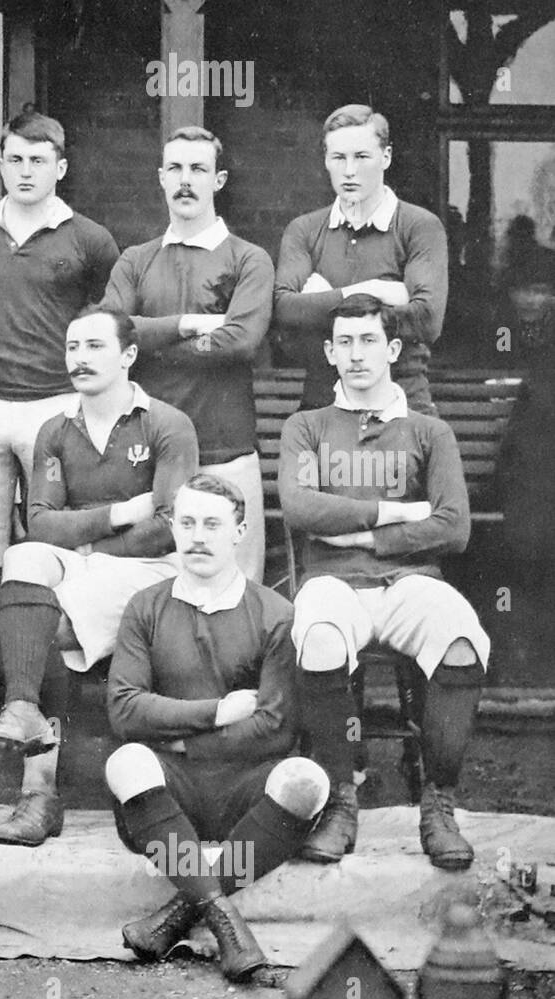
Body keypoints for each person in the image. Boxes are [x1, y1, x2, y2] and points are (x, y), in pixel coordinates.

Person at [279, 296, 489, 869]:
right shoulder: (307, 427)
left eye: (368, 340)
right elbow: (299, 507)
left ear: (393, 349)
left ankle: (438, 803)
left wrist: (368, 539)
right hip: (333, 581)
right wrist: (394, 514)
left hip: (409, 582)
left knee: (462, 642)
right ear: (328, 352)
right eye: (344, 342)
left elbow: (453, 526)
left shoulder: (429, 431)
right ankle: (341, 801)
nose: (356, 354)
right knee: (319, 638)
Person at [0, 306, 198, 844]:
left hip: (149, 568)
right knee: (24, 560)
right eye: (73, 347)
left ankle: (39, 793)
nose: (80, 359)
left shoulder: (167, 424)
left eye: (95, 346)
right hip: (83, 558)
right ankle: (24, 710)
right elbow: (41, 523)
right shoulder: (54, 430)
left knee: (34, 626)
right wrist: (120, 514)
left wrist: (89, 538)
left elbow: (170, 525)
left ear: (128, 355)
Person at [105, 475, 330, 981]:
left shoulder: (275, 614)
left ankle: (182, 912)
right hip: (167, 796)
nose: (198, 536)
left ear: (240, 532)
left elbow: (275, 726)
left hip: (246, 796)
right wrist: (215, 712)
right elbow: (123, 710)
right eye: (186, 523)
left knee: (306, 781)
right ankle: (224, 916)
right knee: (126, 761)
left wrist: (178, 735)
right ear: (173, 528)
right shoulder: (147, 606)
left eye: (212, 524)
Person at [0, 109, 119, 571]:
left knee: (52, 540)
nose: (25, 171)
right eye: (14, 160)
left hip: (54, 405)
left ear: (60, 167)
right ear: (0, 165)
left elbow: (111, 326)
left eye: (37, 160)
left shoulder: (91, 240)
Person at [102, 126, 272, 579]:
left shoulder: (249, 259)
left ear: (218, 180)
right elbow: (108, 335)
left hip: (227, 450)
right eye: (175, 168)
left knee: (236, 596)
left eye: (198, 169)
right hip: (148, 456)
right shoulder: (135, 260)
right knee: (146, 595)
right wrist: (186, 325)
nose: (185, 180)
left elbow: (240, 341)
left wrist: (147, 345)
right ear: (160, 177)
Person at [274, 104, 449, 415]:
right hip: (323, 406)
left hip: (403, 406)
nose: (349, 170)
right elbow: (284, 311)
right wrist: (376, 290)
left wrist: (322, 302)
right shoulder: (304, 230)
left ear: (387, 157)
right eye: (338, 158)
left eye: (362, 157)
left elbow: (426, 320)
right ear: (326, 161)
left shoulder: (419, 226)